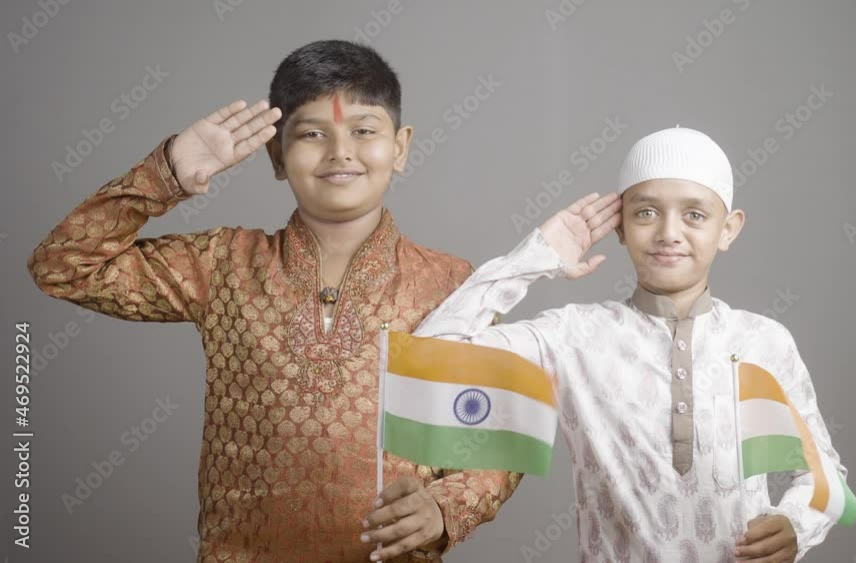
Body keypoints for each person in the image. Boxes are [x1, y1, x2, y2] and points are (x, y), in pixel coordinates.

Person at [27, 39, 520, 562]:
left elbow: (497, 434)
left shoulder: (453, 283)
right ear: (276, 155)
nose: (340, 152)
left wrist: (445, 509)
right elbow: (63, 267)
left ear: (399, 147)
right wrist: (165, 173)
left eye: (364, 130)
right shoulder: (222, 264)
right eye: (312, 134)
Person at [413, 127, 849, 562]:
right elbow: (428, 358)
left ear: (728, 229)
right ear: (621, 227)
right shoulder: (576, 338)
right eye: (646, 213)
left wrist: (796, 524)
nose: (668, 233)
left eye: (695, 215)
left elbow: (824, 475)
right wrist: (536, 257)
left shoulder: (761, 341)